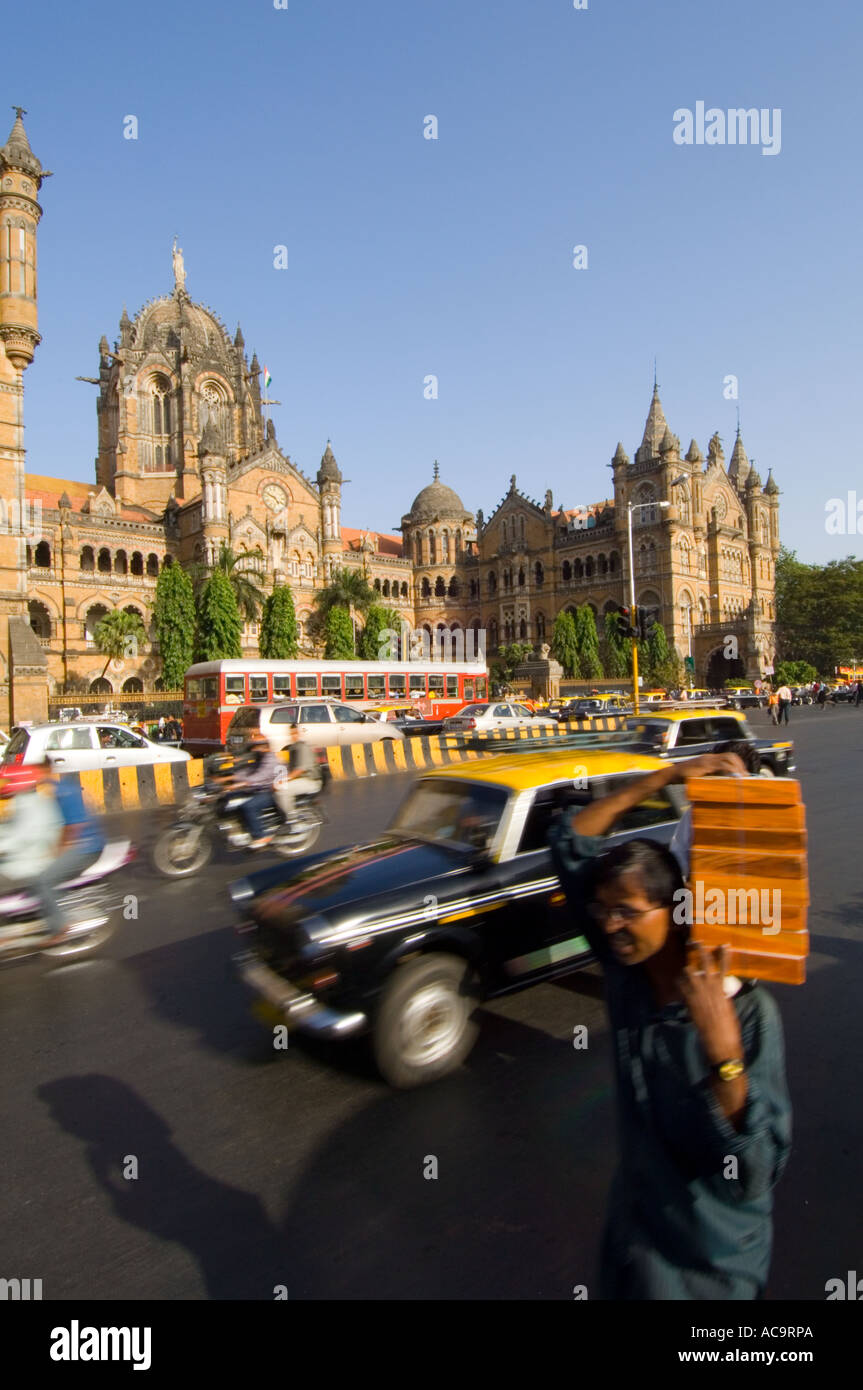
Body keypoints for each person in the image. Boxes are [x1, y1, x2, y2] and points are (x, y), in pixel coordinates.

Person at [547, 752, 792, 1300]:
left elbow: (751, 1171)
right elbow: (568, 842)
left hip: (710, 1268)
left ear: (676, 909)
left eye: (627, 911)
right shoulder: (627, 970)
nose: (609, 924)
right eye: (604, 910)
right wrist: (664, 778)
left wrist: (723, 1055)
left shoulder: (749, 1016)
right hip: (631, 1246)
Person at [0, 766, 65, 936]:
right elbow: (10, 828)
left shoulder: (34, 806)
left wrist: (3, 847)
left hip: (32, 859)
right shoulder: (23, 800)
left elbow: (22, 837)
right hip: (22, 855)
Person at [273, 723, 321, 821]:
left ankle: (292, 821)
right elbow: (289, 768)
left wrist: (283, 780)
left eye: (295, 733)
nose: (293, 736)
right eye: (291, 734)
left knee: (282, 790)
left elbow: (300, 769)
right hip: (300, 780)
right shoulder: (293, 748)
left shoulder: (302, 747)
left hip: (310, 780)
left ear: (299, 733)